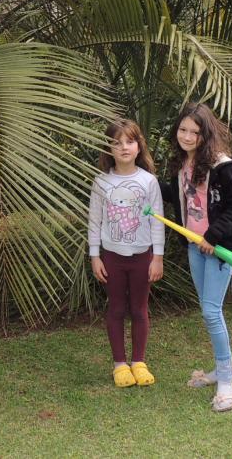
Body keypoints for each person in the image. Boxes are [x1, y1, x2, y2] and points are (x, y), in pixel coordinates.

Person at [160, 103, 232, 411]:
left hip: (219, 248)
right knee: (208, 310)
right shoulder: (183, 164)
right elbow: (181, 198)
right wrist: (143, 182)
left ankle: (226, 381)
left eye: (194, 132)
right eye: (182, 130)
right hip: (194, 246)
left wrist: (213, 237)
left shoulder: (222, 166)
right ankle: (227, 368)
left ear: (205, 134)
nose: (186, 136)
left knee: (212, 312)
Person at [87, 118, 165, 388]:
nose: (123, 147)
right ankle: (120, 364)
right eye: (116, 142)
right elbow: (94, 220)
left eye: (129, 141)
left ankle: (139, 362)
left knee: (140, 309)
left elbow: (157, 220)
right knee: (117, 308)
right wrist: (94, 255)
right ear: (108, 148)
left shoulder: (148, 181)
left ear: (138, 146)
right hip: (112, 257)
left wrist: (157, 256)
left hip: (143, 257)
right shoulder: (101, 182)